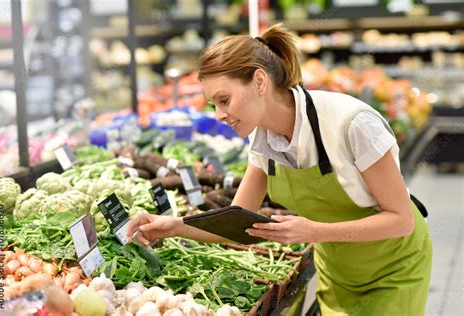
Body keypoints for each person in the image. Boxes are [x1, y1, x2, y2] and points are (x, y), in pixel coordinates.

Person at [127, 24, 432, 315]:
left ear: (260, 81)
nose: (219, 115)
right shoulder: (263, 141)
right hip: (339, 272)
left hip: (393, 270)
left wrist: (315, 231)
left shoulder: (351, 123)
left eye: (224, 100)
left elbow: (400, 220)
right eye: (213, 106)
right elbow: (237, 224)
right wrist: (176, 225)